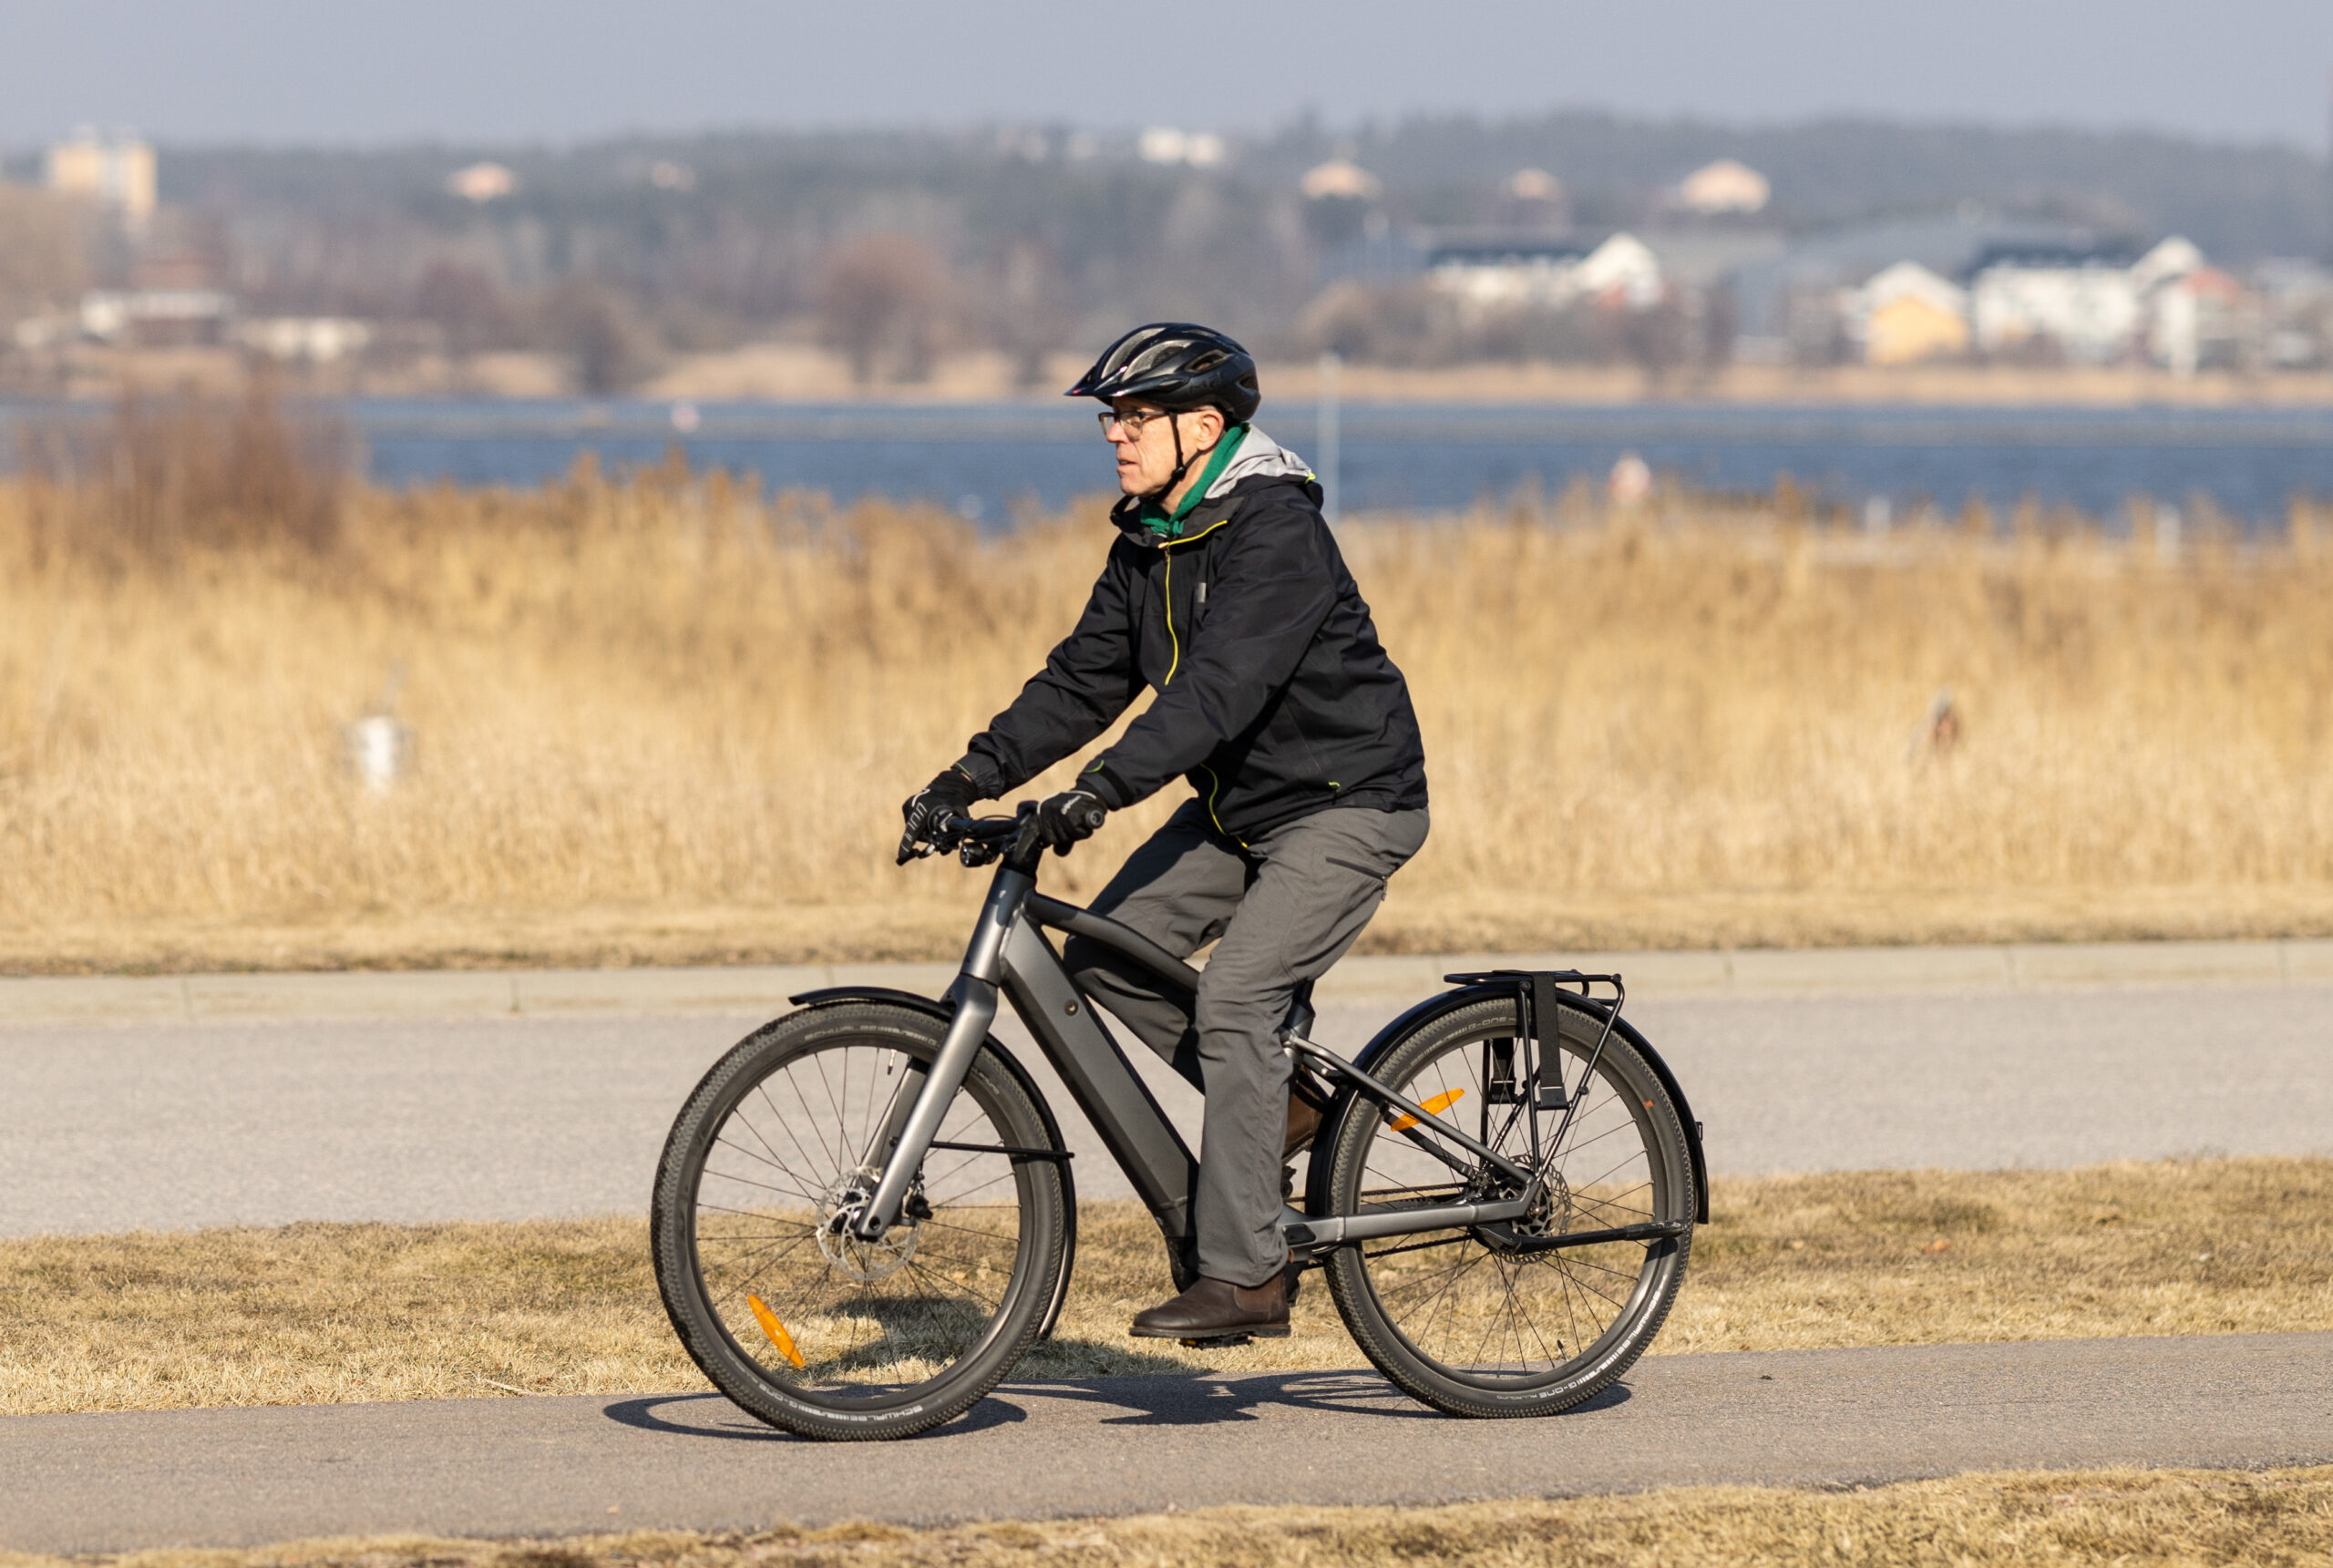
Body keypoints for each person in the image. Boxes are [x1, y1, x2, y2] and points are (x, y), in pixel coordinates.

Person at [898, 323, 1430, 1341]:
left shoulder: (1277, 534)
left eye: (1134, 416)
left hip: (1348, 802)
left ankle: (1247, 1275)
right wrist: (968, 774)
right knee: (1105, 959)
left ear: (1205, 425)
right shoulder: (1150, 538)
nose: (1113, 434)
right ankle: (1283, 1106)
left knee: (1235, 999)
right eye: (1111, 416)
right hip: (1240, 811)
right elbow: (1083, 678)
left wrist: (1099, 791)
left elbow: (1219, 691)